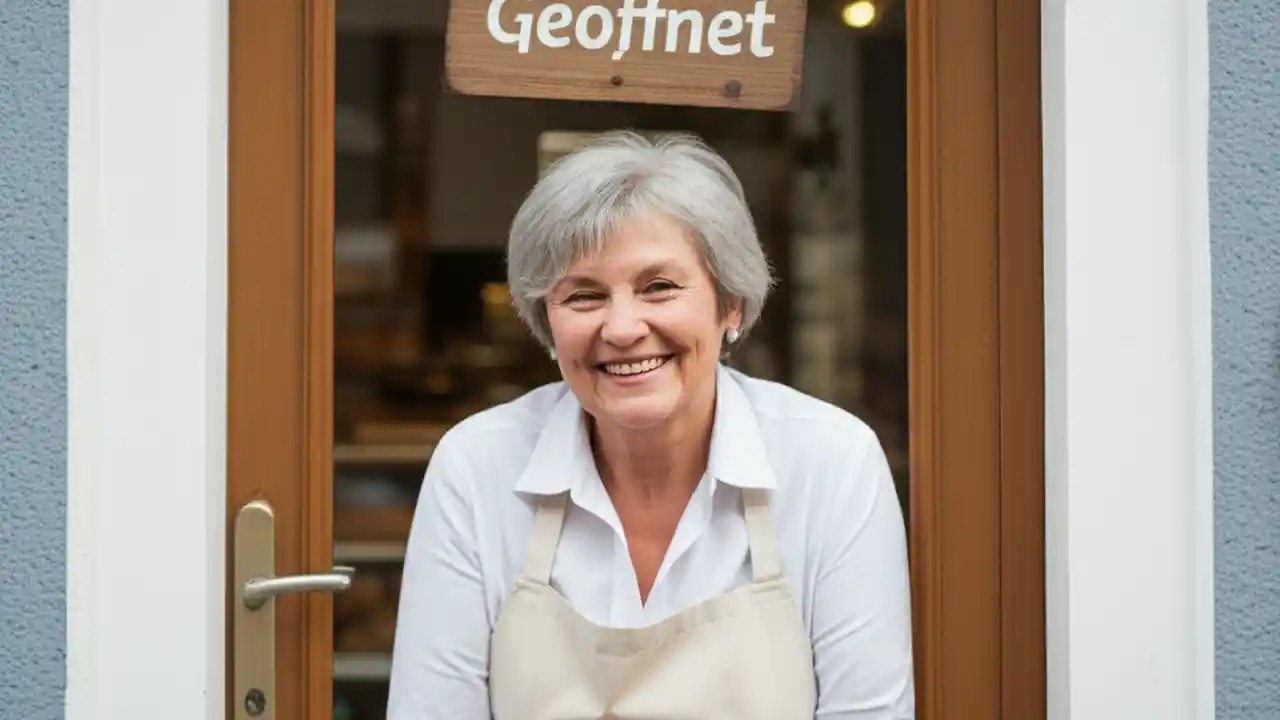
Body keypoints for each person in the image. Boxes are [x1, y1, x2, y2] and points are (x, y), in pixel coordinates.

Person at [386, 131, 915, 719]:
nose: (621, 327)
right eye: (584, 296)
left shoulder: (832, 462)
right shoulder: (477, 466)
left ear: (730, 302)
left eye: (658, 287)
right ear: (546, 320)